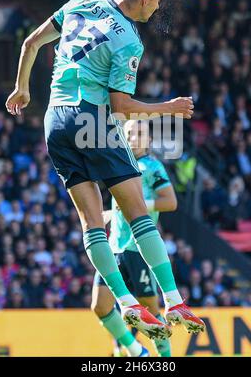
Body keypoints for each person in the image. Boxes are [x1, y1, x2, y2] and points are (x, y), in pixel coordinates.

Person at [6, 0, 204, 338]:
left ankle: (127, 304)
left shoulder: (79, 5)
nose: (158, 7)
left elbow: (30, 44)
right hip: (91, 120)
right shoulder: (130, 39)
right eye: (158, 1)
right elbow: (120, 105)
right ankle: (174, 300)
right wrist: (168, 108)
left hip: (55, 121)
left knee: (91, 223)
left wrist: (22, 89)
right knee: (138, 214)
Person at [92, 120, 176, 357]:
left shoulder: (152, 167)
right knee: (100, 306)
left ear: (148, 139)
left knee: (151, 311)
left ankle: (165, 358)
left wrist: (139, 205)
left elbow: (170, 202)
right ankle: (135, 350)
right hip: (113, 247)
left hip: (138, 249)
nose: (133, 137)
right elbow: (119, 207)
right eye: (129, 133)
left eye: (139, 133)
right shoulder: (119, 166)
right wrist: (110, 213)